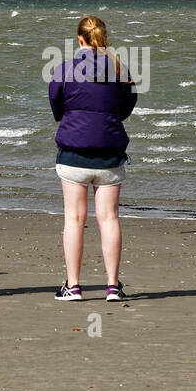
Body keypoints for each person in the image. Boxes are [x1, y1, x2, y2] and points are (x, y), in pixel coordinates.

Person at [48, 15, 136, 301]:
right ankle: (112, 285)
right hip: (109, 152)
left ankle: (73, 286)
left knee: (74, 219)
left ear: (80, 39)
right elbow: (126, 106)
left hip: (74, 151)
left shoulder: (64, 69)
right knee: (108, 218)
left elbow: (57, 105)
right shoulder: (120, 69)